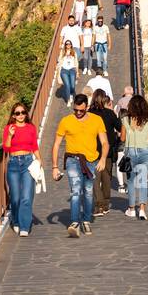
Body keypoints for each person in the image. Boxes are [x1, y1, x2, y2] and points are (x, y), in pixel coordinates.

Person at [51, 94, 108, 237]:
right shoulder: (66, 121)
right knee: (76, 191)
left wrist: (102, 159)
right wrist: (55, 167)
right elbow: (57, 144)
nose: (78, 113)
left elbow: (105, 143)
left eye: (81, 110)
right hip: (72, 159)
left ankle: (86, 220)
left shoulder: (97, 120)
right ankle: (75, 222)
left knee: (88, 192)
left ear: (87, 107)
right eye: (75, 110)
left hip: (91, 160)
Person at [2, 101, 38, 237]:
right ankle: (16, 220)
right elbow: (6, 148)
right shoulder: (9, 128)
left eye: (23, 112)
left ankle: (24, 226)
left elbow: (34, 145)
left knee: (27, 197)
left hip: (28, 161)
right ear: (13, 115)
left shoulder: (30, 128)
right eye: (18, 113)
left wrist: (39, 160)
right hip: (13, 164)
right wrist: (10, 135)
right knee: (15, 198)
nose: (21, 115)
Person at [121, 95, 148, 220]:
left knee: (130, 182)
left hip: (130, 153)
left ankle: (131, 209)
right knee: (142, 181)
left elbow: (122, 138)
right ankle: (141, 210)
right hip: (145, 152)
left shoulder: (125, 120)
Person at [89, 89, 121, 217]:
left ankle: (98, 205)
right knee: (107, 177)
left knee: (95, 178)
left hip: (92, 150)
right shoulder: (110, 113)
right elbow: (119, 127)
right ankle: (106, 204)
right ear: (104, 99)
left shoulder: (89, 114)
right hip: (107, 150)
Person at [114, 85, 135, 191]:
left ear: (124, 92)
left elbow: (116, 113)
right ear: (132, 92)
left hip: (122, 136)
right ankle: (132, 182)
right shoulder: (136, 101)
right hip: (133, 137)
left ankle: (121, 185)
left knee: (119, 161)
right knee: (132, 160)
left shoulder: (120, 101)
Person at [57, 41, 77, 105]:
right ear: (65, 45)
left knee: (73, 86)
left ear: (71, 45)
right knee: (67, 85)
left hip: (72, 70)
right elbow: (59, 62)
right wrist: (58, 72)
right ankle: (68, 100)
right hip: (64, 70)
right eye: (67, 44)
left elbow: (76, 62)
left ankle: (71, 94)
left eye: (69, 44)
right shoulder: (62, 52)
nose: (68, 45)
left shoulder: (74, 52)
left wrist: (77, 71)